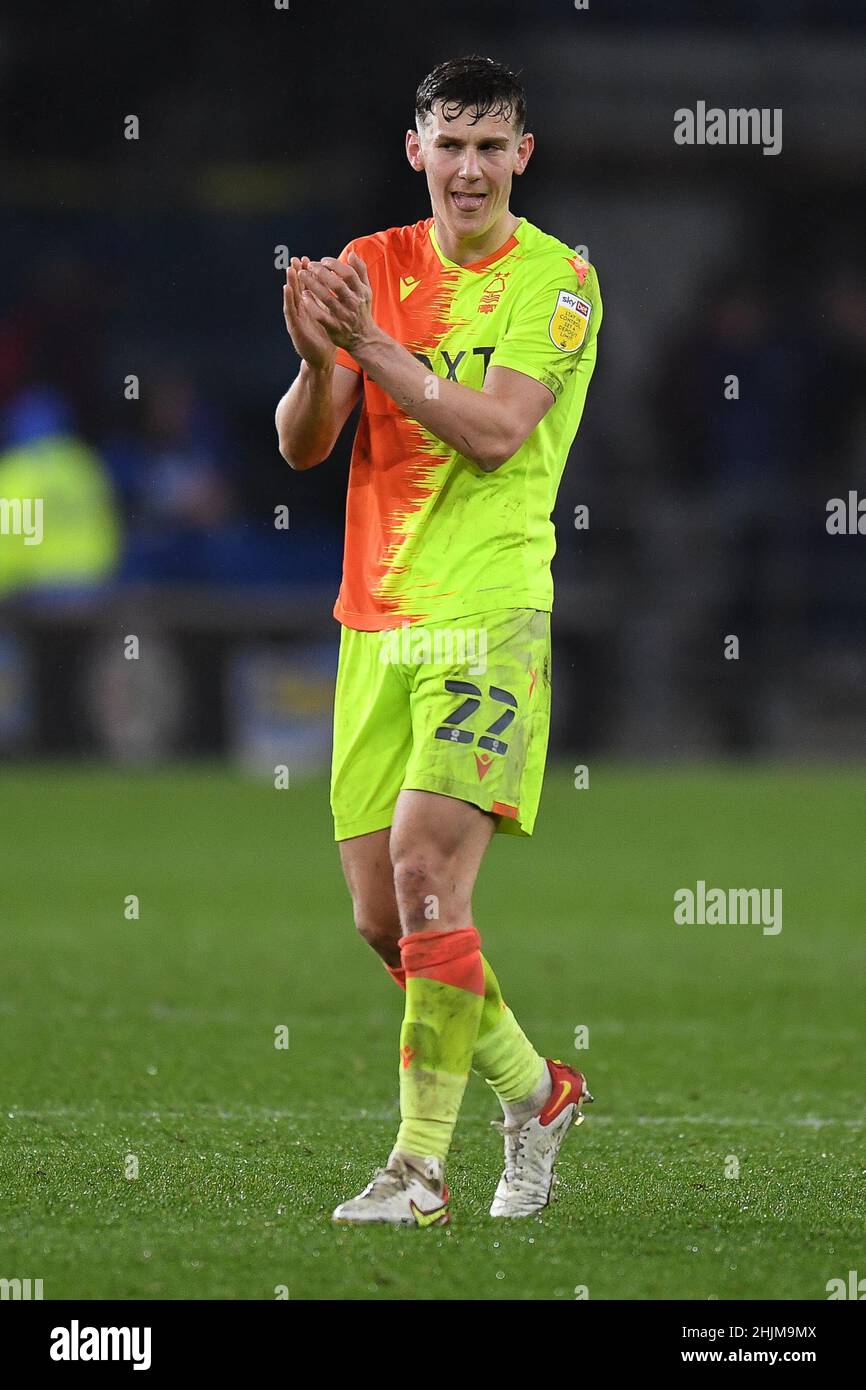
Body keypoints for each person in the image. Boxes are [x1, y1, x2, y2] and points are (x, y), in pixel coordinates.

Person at [275, 55, 602, 1225]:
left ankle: (417, 1171)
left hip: (488, 613)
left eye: (491, 144)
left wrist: (371, 351)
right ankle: (538, 1089)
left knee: (425, 873)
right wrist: (321, 361)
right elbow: (305, 447)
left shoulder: (556, 281)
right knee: (387, 920)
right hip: (375, 618)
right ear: (415, 149)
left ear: (523, 154)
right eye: (448, 143)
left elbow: (497, 432)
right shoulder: (370, 268)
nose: (469, 168)